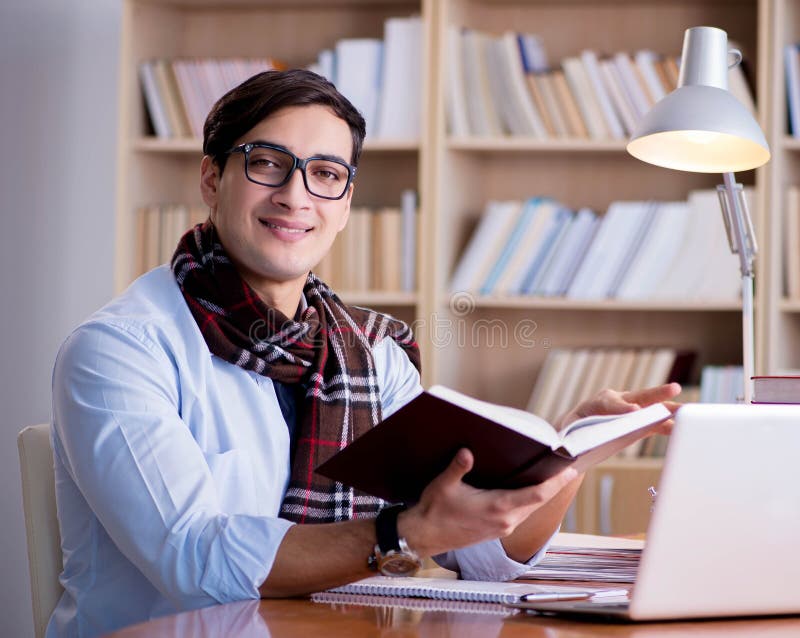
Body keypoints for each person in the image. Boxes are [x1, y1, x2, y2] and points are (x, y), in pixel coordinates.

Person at [49, 69, 680, 637]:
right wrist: (400, 534)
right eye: (268, 162)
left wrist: (562, 462)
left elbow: (485, 558)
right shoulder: (118, 351)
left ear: (345, 204)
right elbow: (195, 561)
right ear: (213, 179)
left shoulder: (373, 356)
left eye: (325, 174)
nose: (296, 196)